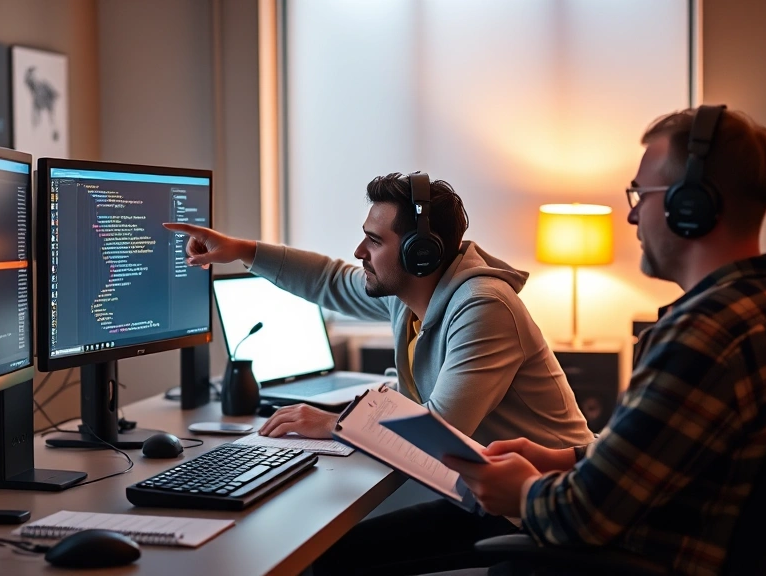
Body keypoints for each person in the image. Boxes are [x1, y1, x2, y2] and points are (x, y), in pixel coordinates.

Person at [442, 106, 766, 576]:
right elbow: (675, 454)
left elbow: (581, 516)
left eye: (642, 194)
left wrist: (520, 490)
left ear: (693, 205)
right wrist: (565, 457)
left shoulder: (705, 336)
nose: (631, 215)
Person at [165, 172, 596, 574]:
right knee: (329, 552)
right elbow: (329, 280)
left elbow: (440, 428)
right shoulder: (408, 295)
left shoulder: (484, 306)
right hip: (487, 493)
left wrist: (336, 424)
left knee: (332, 559)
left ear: (420, 254)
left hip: (543, 505)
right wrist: (243, 251)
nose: (359, 252)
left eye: (373, 240)